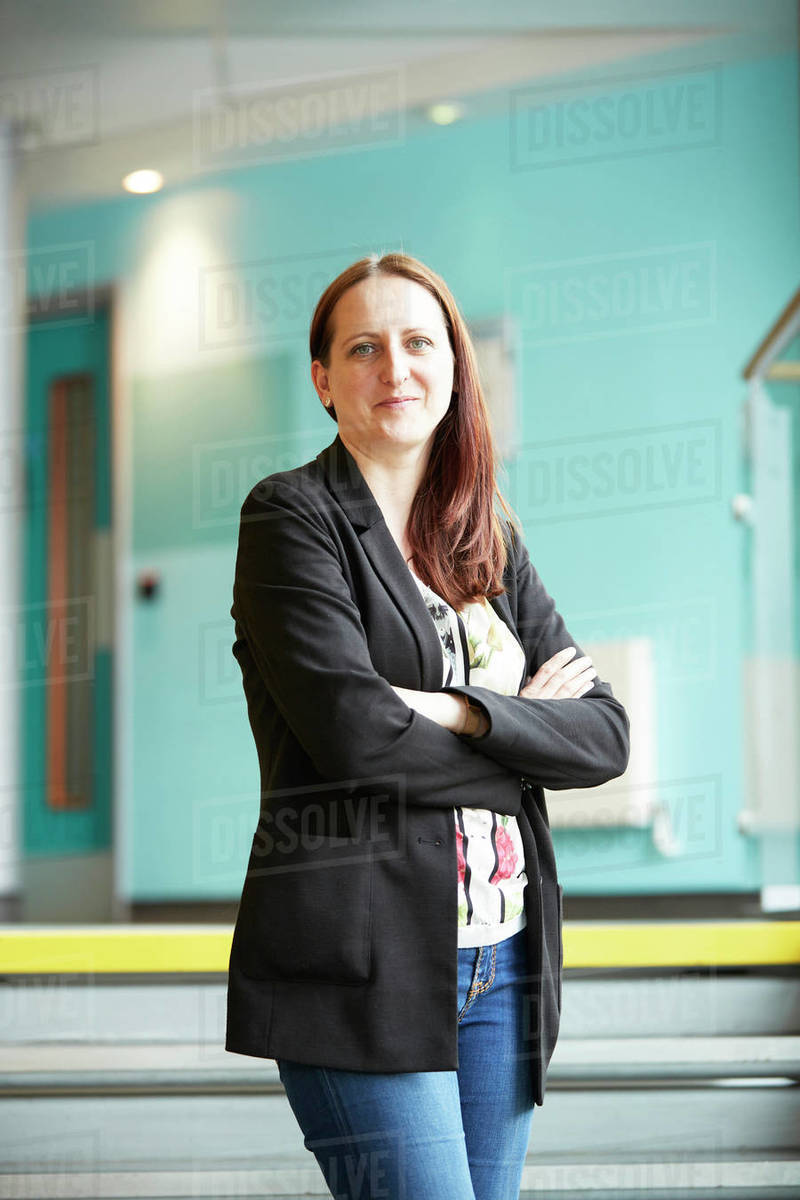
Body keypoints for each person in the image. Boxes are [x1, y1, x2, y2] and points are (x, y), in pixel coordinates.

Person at [225, 251, 630, 1200]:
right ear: (324, 379)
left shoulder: (485, 531)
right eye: (363, 348)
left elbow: (606, 736)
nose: (394, 369)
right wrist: (529, 736)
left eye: (418, 342)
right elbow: (356, 737)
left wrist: (452, 708)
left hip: (506, 956)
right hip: (362, 958)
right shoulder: (292, 518)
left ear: (454, 364)